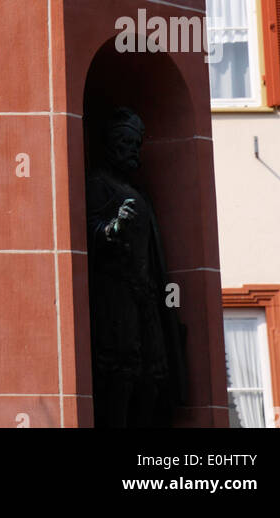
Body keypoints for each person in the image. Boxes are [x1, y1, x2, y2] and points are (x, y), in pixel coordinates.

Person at [86, 107, 187, 428]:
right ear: (111, 144)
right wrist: (112, 228)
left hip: (145, 292)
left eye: (137, 144)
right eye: (126, 142)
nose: (133, 150)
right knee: (121, 368)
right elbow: (87, 229)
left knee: (154, 373)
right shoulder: (98, 183)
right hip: (115, 292)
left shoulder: (139, 194)